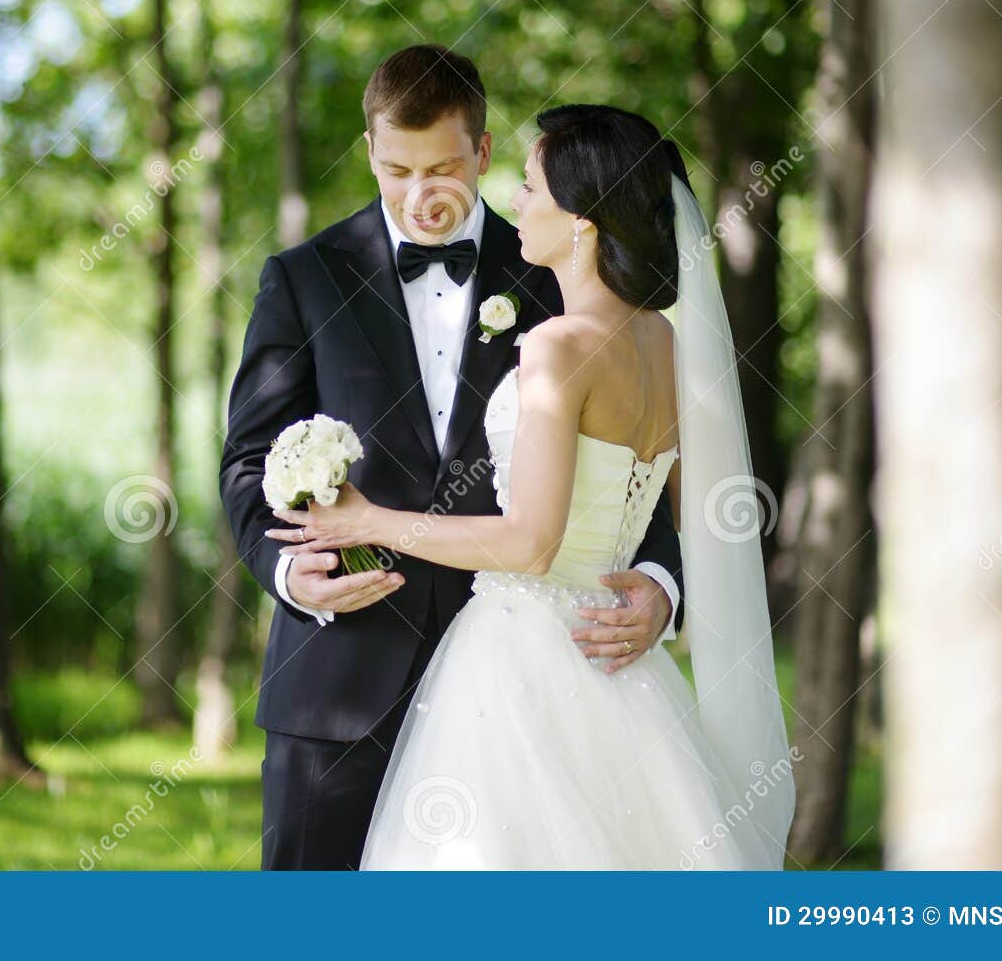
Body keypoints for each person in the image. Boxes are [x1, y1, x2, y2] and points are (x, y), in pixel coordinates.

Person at [269, 103, 795, 868]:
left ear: (582, 220)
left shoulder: (559, 346)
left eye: (529, 186)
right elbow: (677, 510)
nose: (513, 201)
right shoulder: (665, 341)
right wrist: (656, 583)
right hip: (622, 672)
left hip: (522, 660)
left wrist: (368, 520)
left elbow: (530, 542)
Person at [219, 46, 685, 871]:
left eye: (441, 168)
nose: (419, 194)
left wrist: (659, 582)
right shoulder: (303, 278)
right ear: (369, 150)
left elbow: (627, 459)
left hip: (529, 690)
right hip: (338, 677)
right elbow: (250, 458)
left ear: (482, 150)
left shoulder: (559, 267)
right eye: (396, 170)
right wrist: (290, 574)